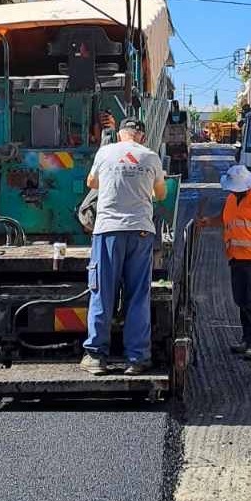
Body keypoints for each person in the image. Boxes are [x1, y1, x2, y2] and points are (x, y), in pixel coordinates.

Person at [81, 118, 167, 376]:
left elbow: (90, 183)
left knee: (102, 292)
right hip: (141, 232)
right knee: (138, 295)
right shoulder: (151, 157)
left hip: (108, 230)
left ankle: (96, 357)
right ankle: (137, 359)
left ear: (120, 134)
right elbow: (160, 193)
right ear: (141, 136)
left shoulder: (105, 152)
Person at [195, 165, 251, 361]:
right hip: (236, 257)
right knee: (242, 300)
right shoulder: (232, 198)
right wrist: (209, 221)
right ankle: (246, 339)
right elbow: (226, 218)